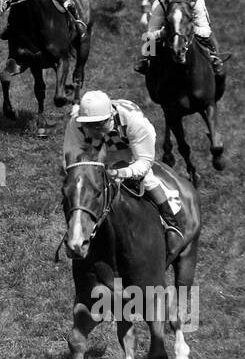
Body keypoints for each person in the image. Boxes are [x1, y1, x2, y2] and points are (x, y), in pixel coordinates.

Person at [62, 90, 183, 258]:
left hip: (129, 147)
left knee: (147, 180)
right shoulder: (75, 123)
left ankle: (172, 226)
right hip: (96, 151)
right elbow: (72, 158)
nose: (93, 130)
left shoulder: (134, 122)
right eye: (88, 125)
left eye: (99, 125)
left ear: (111, 117)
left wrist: (123, 172)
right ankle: (76, 228)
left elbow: (145, 162)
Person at [135, 0, 225, 76]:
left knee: (207, 35)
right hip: (165, 10)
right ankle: (146, 60)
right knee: (151, 41)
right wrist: (162, 32)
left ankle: (215, 56)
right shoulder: (161, 3)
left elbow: (205, 31)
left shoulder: (195, 1)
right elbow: (151, 33)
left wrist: (190, 29)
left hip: (192, 13)